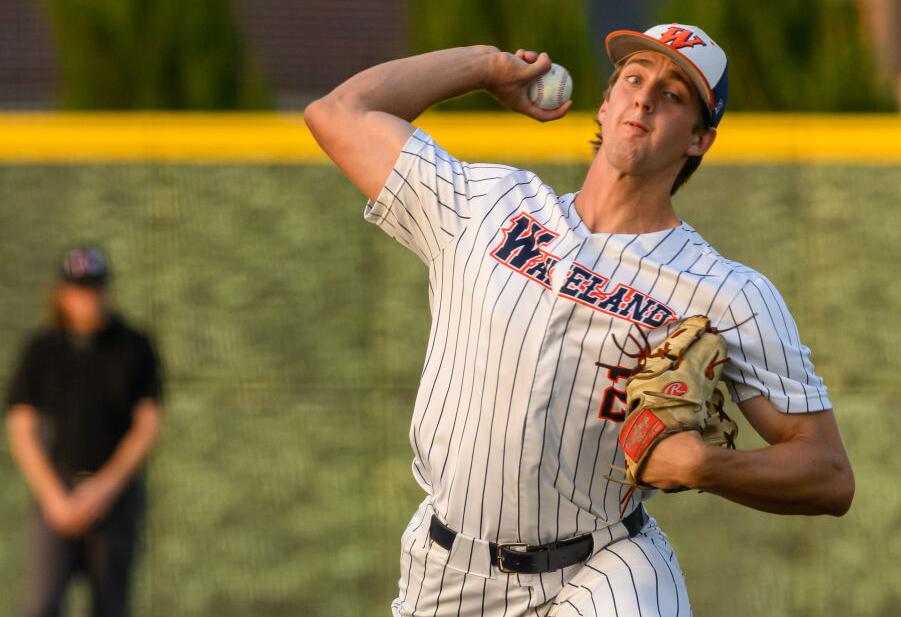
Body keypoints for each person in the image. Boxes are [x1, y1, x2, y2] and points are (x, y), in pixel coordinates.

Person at [305, 23, 854, 617]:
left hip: (602, 568)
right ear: (607, 102)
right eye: (634, 79)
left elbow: (827, 474)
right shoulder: (486, 206)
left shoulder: (727, 291)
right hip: (446, 571)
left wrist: (707, 465)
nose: (644, 97)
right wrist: (487, 67)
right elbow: (339, 112)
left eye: (673, 94)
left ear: (699, 138)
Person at [5, 247, 163, 617]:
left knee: (110, 607)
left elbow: (148, 423)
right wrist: (54, 498)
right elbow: (21, 427)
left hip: (114, 500)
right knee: (42, 604)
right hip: (56, 494)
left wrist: (104, 488)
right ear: (62, 293)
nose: (88, 300)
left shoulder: (134, 346)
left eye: (95, 289)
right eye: (80, 290)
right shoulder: (42, 349)